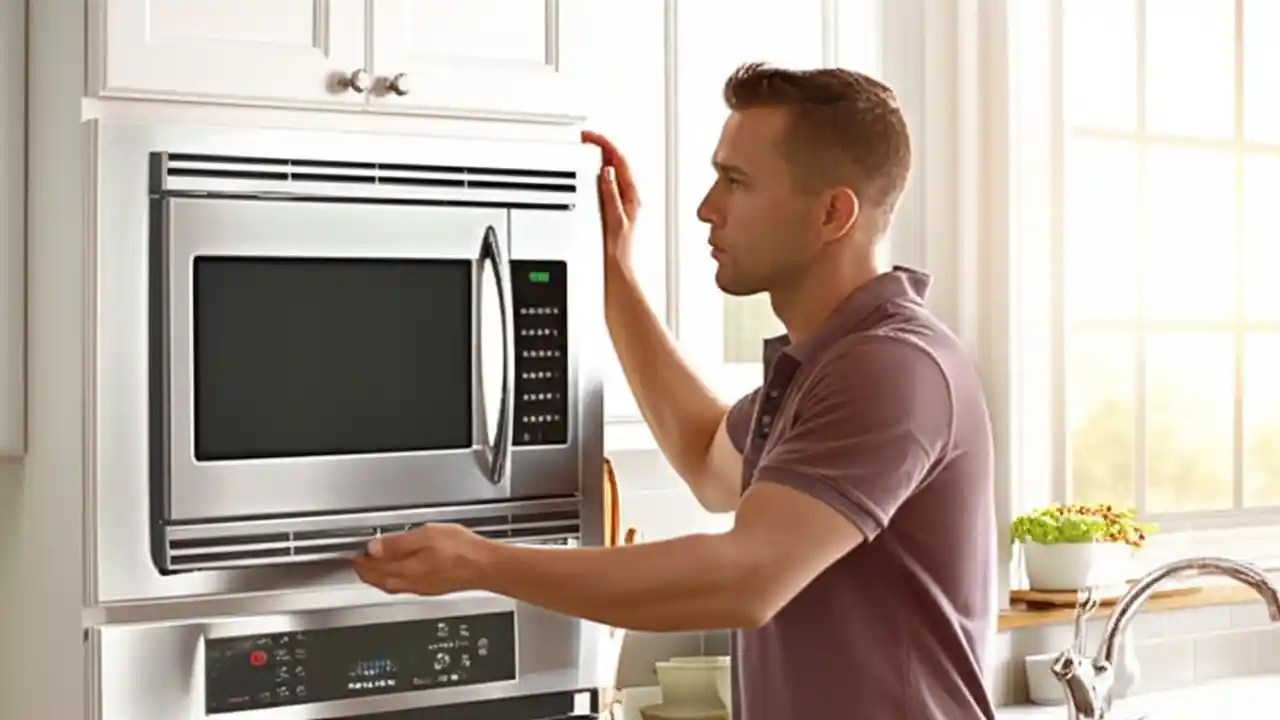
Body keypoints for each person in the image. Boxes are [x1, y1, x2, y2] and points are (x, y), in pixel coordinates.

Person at [353, 62, 998, 719]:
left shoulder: (893, 368)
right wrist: (612, 272)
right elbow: (707, 457)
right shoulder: (825, 365)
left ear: (832, 213)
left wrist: (480, 563)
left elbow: (746, 578)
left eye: (736, 182)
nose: (706, 207)